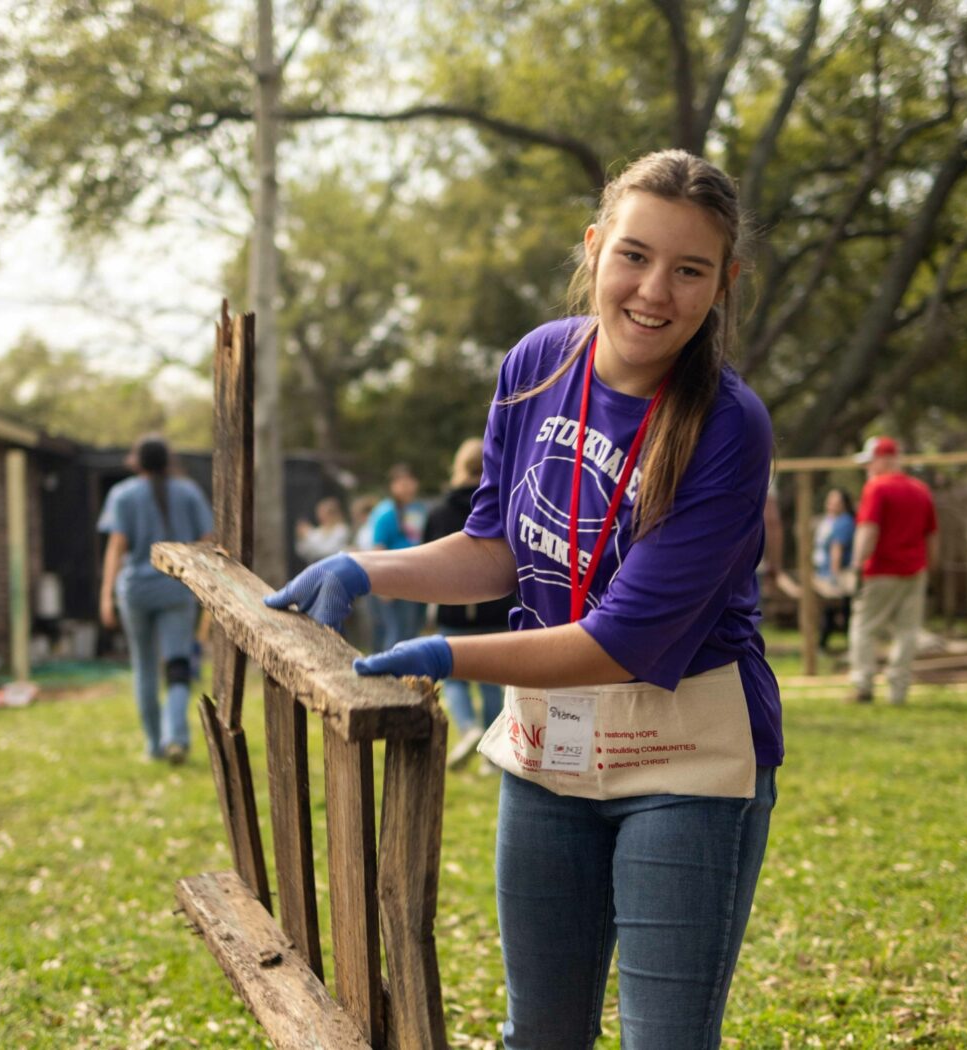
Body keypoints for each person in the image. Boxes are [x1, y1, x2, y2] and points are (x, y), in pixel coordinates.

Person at [266, 149, 781, 1049]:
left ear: (725, 283)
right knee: (538, 1035)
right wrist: (368, 565)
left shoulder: (729, 426)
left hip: (683, 762)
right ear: (593, 248)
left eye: (690, 269)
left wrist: (442, 655)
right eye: (634, 255)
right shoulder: (539, 362)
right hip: (549, 752)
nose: (655, 291)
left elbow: (618, 642)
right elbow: (496, 547)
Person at [98, 435, 214, 763]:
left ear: (136, 462)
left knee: (144, 667)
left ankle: (153, 745)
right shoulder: (188, 491)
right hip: (177, 589)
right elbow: (208, 541)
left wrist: (106, 596)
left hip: (135, 591)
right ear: (168, 460)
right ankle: (176, 736)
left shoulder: (122, 495)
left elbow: (116, 549)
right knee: (178, 664)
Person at [422, 438, 517, 768]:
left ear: (458, 467)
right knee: (492, 682)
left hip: (455, 610)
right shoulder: (506, 503)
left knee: (455, 676)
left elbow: (429, 558)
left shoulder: (439, 511)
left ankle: (468, 727)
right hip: (497, 608)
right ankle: (492, 753)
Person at [846, 435, 938, 704]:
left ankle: (863, 685)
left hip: (880, 571)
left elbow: (868, 530)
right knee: (906, 631)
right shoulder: (921, 489)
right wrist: (929, 567)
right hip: (915, 571)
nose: (867, 468)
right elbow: (932, 536)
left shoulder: (876, 488)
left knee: (864, 628)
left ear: (884, 459)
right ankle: (898, 692)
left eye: (870, 462)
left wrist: (857, 564)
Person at [366, 464, 426, 650]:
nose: (407, 486)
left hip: (417, 579)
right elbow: (378, 548)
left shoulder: (419, 509)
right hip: (393, 579)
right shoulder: (385, 512)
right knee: (396, 632)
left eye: (410, 480)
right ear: (393, 485)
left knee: (412, 630)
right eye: (401, 481)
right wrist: (383, 585)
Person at [813, 487, 856, 651]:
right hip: (825, 572)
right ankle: (824, 644)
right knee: (831, 611)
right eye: (829, 501)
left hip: (838, 574)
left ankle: (844, 646)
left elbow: (837, 549)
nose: (830, 504)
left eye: (835, 502)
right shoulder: (829, 520)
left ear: (844, 504)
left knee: (840, 610)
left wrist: (834, 575)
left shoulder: (844, 521)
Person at [295, 497, 351, 566]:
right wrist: (301, 538)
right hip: (316, 565)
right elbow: (303, 552)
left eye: (323, 512)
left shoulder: (341, 529)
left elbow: (329, 550)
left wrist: (308, 535)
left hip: (335, 565)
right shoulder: (317, 531)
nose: (320, 516)